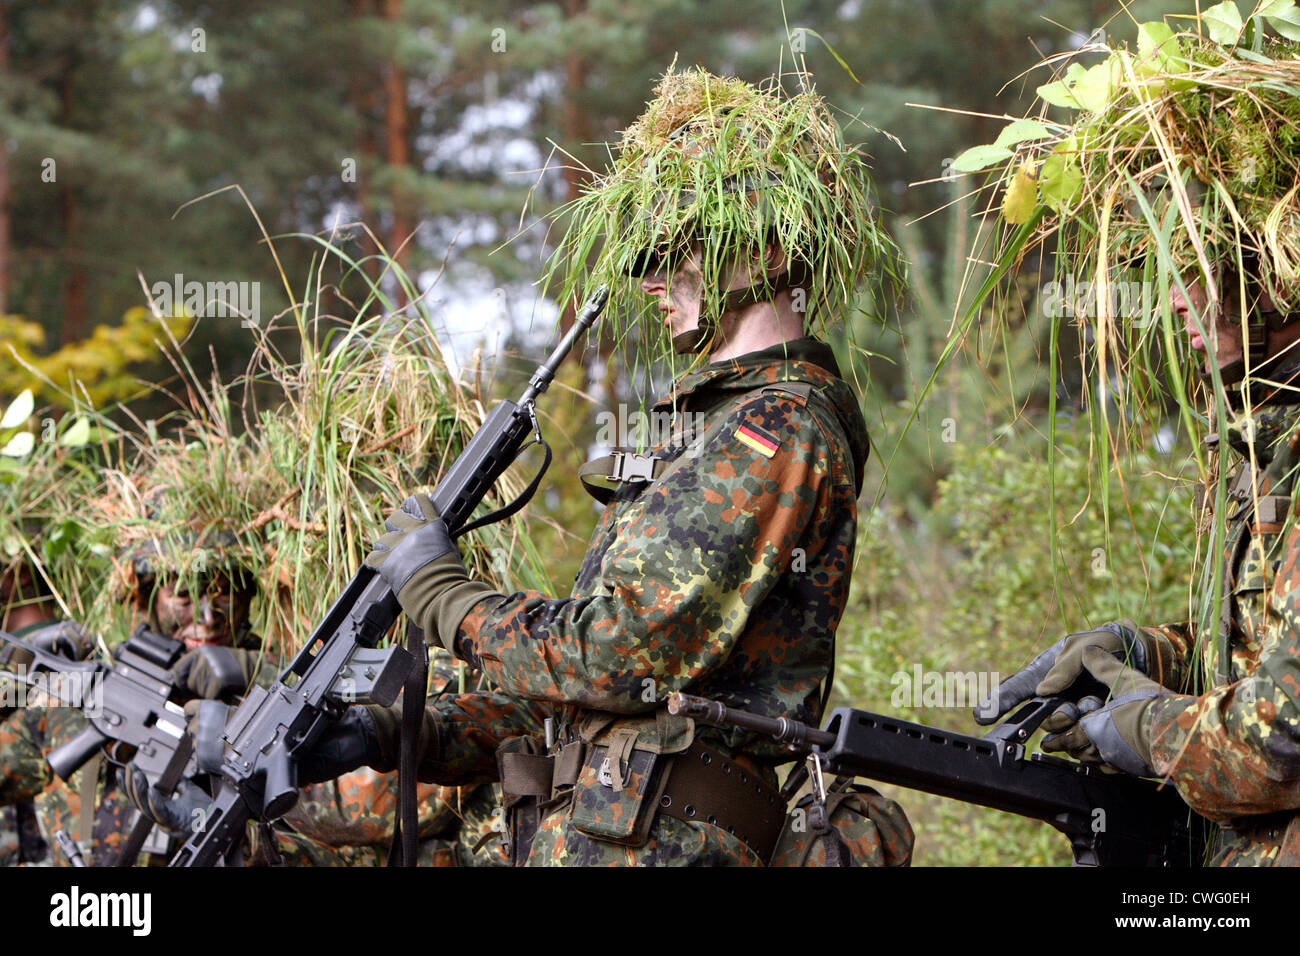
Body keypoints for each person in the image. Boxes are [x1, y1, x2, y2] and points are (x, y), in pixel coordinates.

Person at [304, 65, 910, 866]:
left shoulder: (777, 426)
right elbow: (574, 700)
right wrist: (392, 731)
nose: (649, 280)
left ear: (760, 247)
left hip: (663, 839)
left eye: (671, 248)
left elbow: (615, 656)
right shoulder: (719, 429)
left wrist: (447, 598)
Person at [971, 19, 1300, 866]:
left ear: (1274, 265)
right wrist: (1131, 651)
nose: (1174, 304)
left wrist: (1144, 725)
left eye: (1190, 267)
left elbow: (1278, 742)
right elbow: (1251, 657)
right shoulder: (1257, 445)